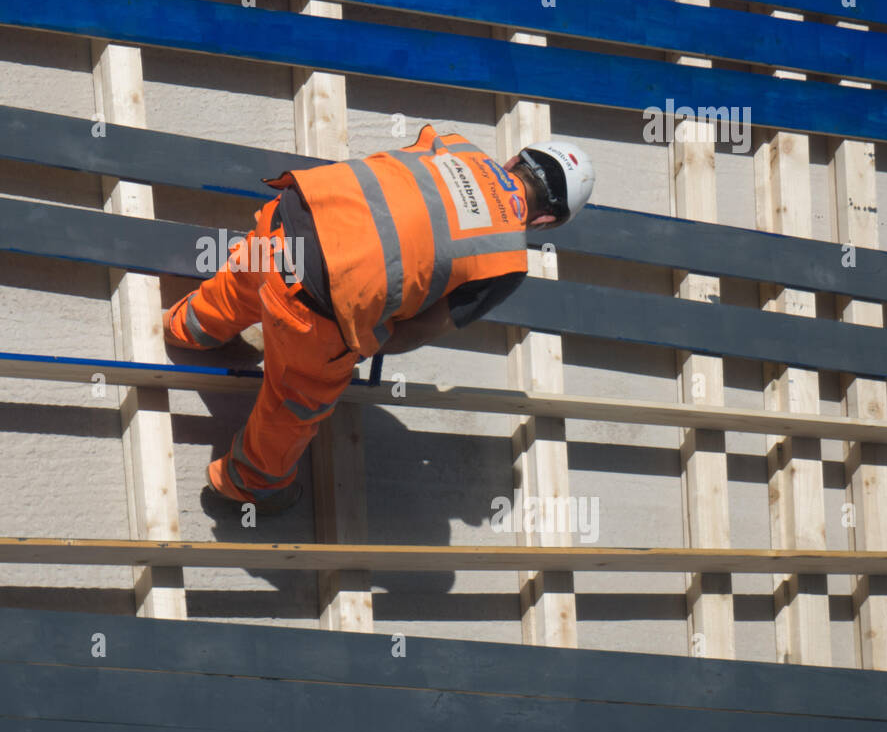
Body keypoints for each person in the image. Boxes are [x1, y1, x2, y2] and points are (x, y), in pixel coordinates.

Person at [163, 123, 595, 511]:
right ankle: (249, 486)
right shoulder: (506, 261)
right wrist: (355, 339)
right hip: (312, 304)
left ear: (516, 159)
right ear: (544, 220)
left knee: (244, 282)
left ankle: (188, 328)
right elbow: (415, 332)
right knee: (297, 400)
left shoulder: (450, 142)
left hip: (285, 216)